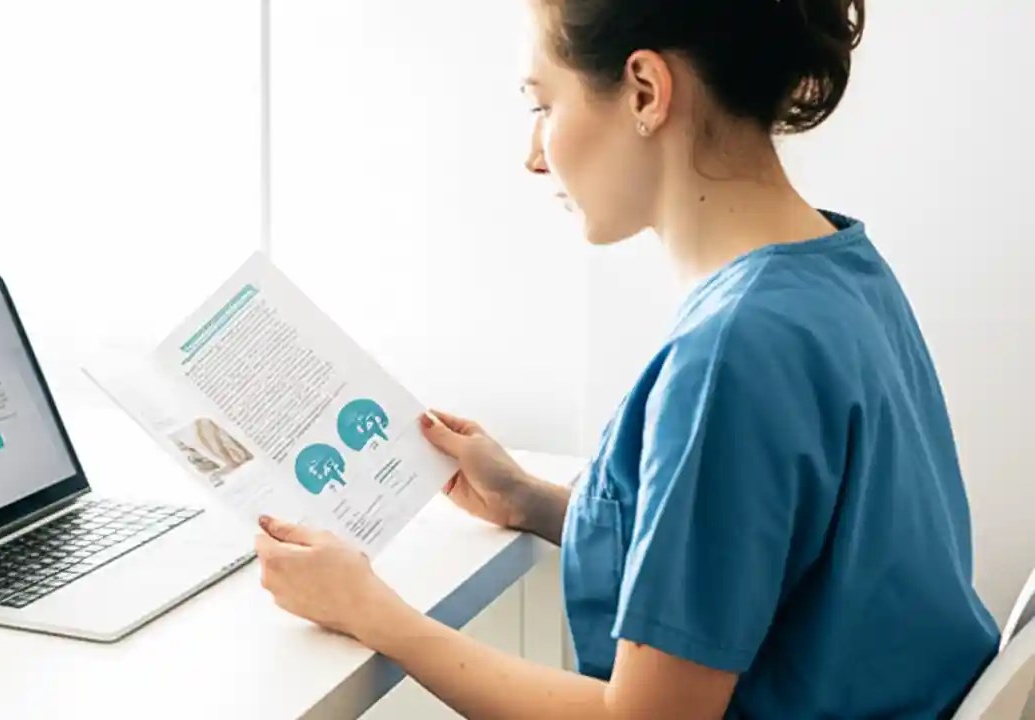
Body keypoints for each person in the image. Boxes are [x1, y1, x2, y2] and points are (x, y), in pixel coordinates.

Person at [251, 0, 1001, 716]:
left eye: (543, 106)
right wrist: (529, 500)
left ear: (645, 90)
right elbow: (754, 555)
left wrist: (372, 613)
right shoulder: (838, 270)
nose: (533, 158)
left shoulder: (733, 352)